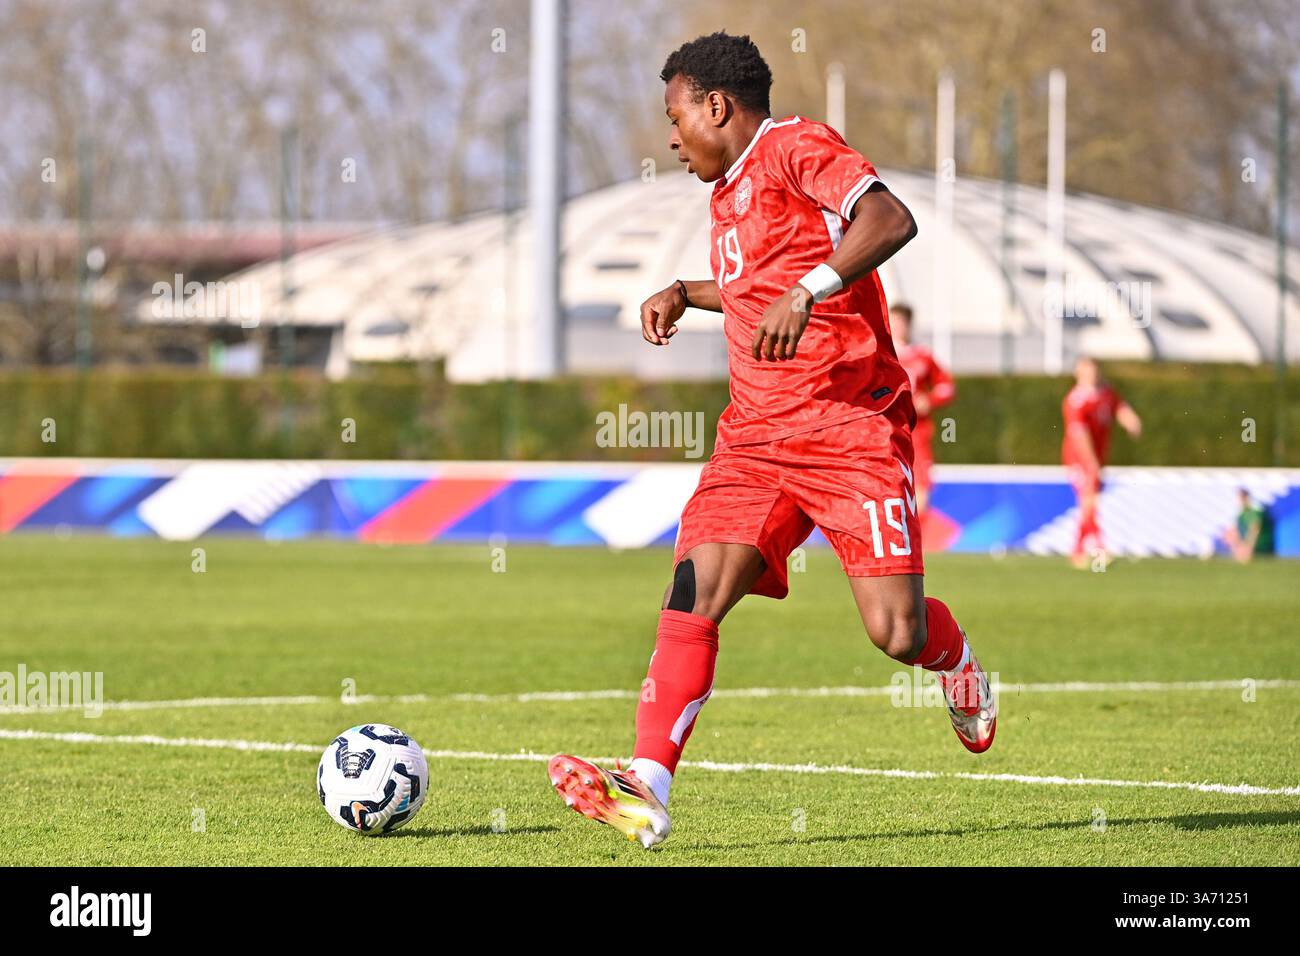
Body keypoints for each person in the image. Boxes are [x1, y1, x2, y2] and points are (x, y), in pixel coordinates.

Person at [548, 32, 996, 849]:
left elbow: (889, 218)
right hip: (754, 439)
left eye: (675, 116)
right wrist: (686, 290)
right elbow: (757, 288)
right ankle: (647, 783)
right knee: (694, 590)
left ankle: (957, 661)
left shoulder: (793, 146)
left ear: (717, 105)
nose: (671, 138)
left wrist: (812, 288)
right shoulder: (726, 194)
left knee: (896, 632)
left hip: (847, 426)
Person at [1061, 357, 1141, 568]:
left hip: (1097, 459)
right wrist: (1090, 462)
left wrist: (1131, 421)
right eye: (1087, 372)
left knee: (1088, 503)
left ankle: (1078, 550)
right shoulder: (1075, 401)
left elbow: (1119, 407)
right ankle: (1100, 549)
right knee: (1090, 501)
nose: (1092, 376)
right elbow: (1079, 434)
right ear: (1078, 375)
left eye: (1094, 371)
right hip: (1079, 458)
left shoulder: (1106, 393)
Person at [890, 303, 955, 515]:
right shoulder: (878, 352)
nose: (896, 326)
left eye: (901, 321)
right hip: (884, 428)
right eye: (893, 320)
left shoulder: (922, 356)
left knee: (920, 485)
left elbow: (947, 387)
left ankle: (918, 532)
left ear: (909, 325)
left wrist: (929, 400)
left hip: (916, 431)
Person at [1222, 488, 1274, 563]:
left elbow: (1255, 529)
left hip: (1259, 547)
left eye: (1241, 498)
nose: (1239, 501)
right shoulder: (1242, 513)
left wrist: (1248, 547)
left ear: (1246, 497)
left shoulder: (1254, 510)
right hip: (1248, 545)